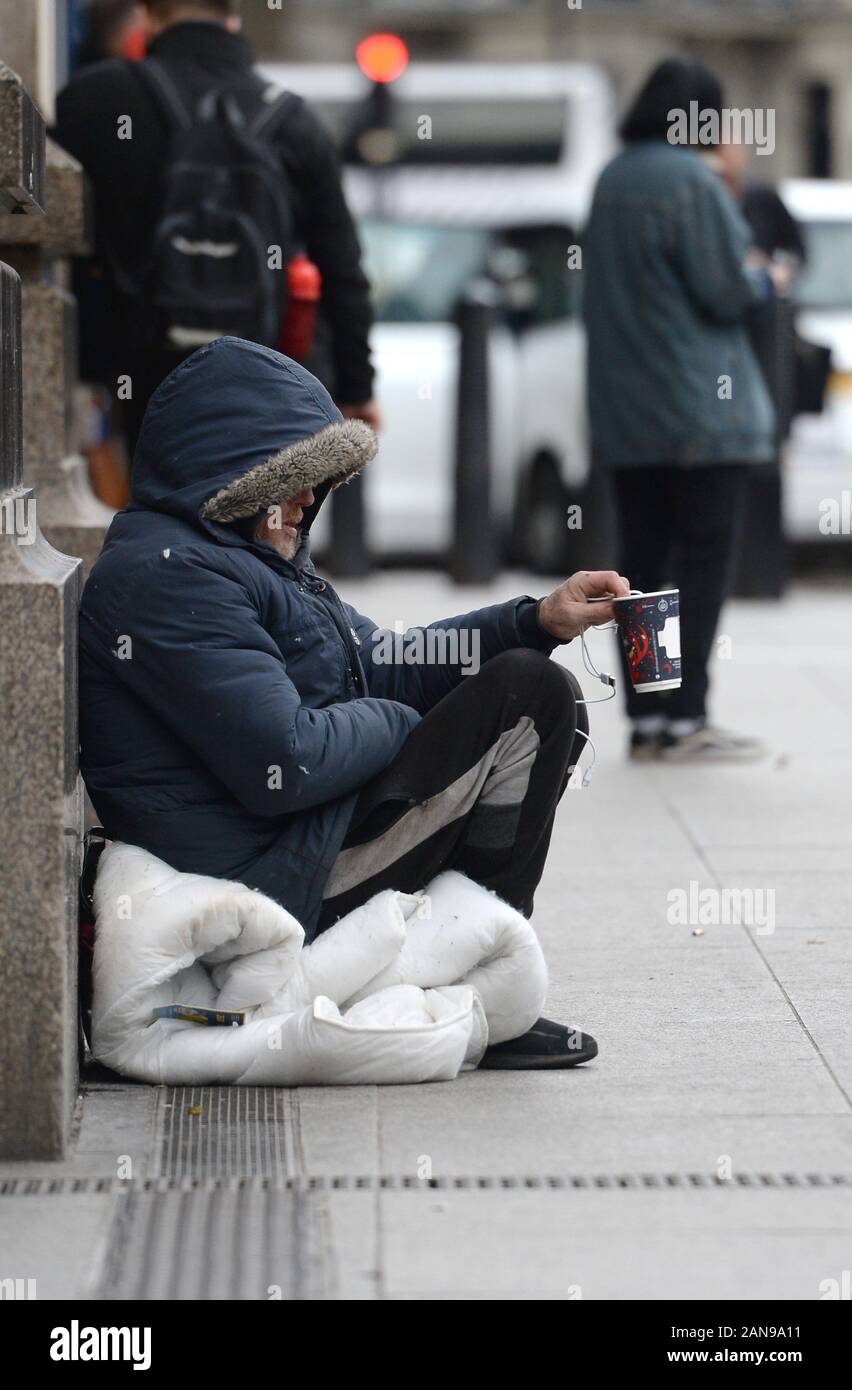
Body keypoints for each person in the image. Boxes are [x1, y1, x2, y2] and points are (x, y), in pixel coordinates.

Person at [78, 336, 630, 1070]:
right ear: (235, 476)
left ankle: (472, 962)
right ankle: (480, 993)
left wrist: (533, 619)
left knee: (535, 693)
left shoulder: (243, 556)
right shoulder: (168, 579)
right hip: (276, 870)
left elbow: (385, 662)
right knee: (531, 700)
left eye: (319, 477)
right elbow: (288, 760)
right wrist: (404, 725)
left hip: (302, 838)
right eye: (294, 477)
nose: (310, 498)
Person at [53, 0, 378, 450]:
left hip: (140, 383)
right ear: (235, 17)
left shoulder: (97, 97)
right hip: (262, 383)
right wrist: (357, 388)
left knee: (150, 507)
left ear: (146, 14)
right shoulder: (295, 121)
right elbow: (342, 269)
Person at [583, 59, 777, 762]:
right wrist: (765, 275)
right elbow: (726, 290)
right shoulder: (691, 181)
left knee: (642, 568)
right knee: (698, 565)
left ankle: (647, 718)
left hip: (628, 416)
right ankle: (688, 716)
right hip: (702, 412)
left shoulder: (612, 178)